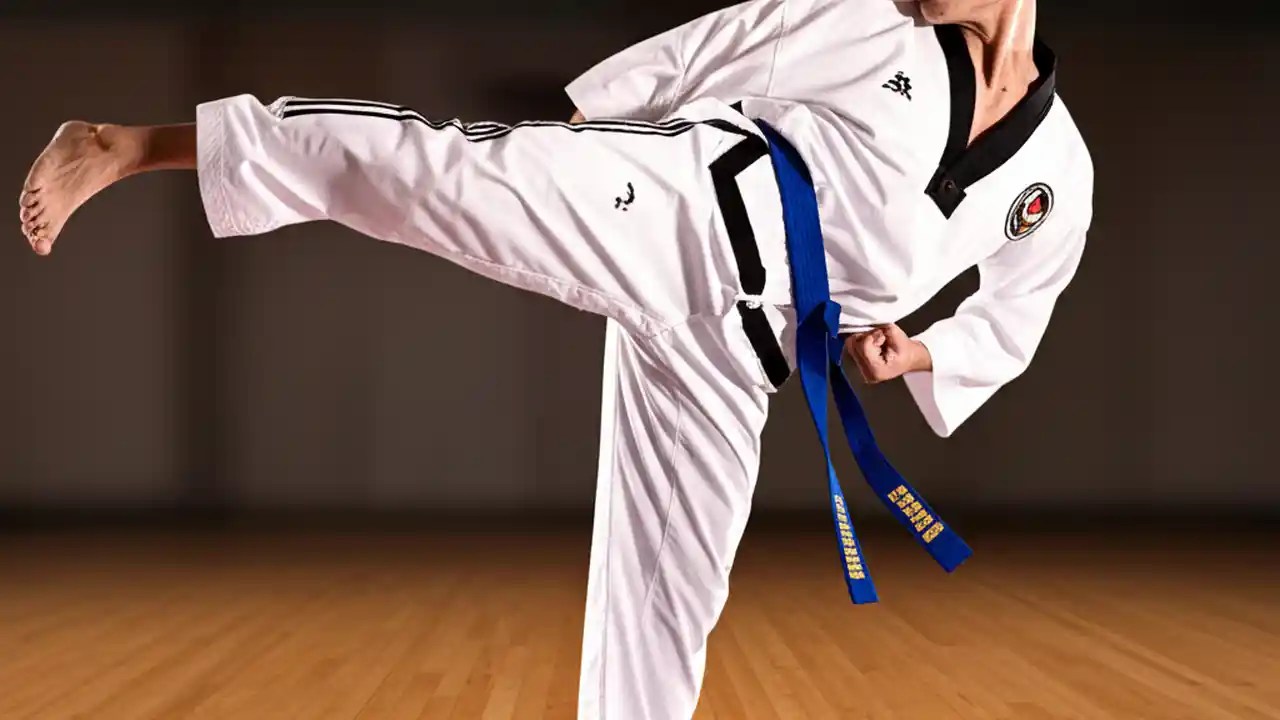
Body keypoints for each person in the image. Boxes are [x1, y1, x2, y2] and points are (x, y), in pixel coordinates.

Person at [17, 0, 1093, 717]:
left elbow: (1014, 304)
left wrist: (915, 353)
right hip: (673, 204)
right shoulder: (874, 29)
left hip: (739, 358)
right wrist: (582, 131)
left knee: (666, 603)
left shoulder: (1058, 172)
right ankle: (132, 142)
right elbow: (729, 41)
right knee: (437, 178)